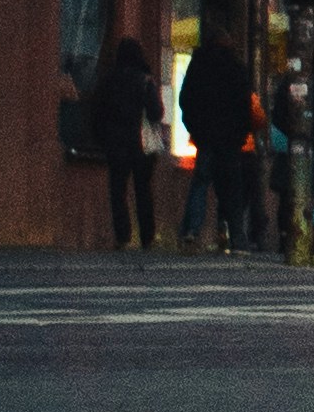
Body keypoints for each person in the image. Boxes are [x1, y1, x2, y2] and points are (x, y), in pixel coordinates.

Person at [177, 19, 260, 256]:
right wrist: (241, 134)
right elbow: (247, 104)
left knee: (201, 184)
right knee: (232, 188)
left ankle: (191, 231)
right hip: (230, 140)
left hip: (207, 138)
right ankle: (238, 239)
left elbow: (186, 100)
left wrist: (195, 129)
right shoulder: (236, 67)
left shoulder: (198, 65)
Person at [91, 25, 165, 255]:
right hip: (141, 144)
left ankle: (122, 236)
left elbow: (98, 111)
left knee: (118, 190)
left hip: (116, 142)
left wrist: (102, 137)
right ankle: (147, 237)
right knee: (143, 191)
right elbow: (156, 113)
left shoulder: (109, 80)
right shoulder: (145, 81)